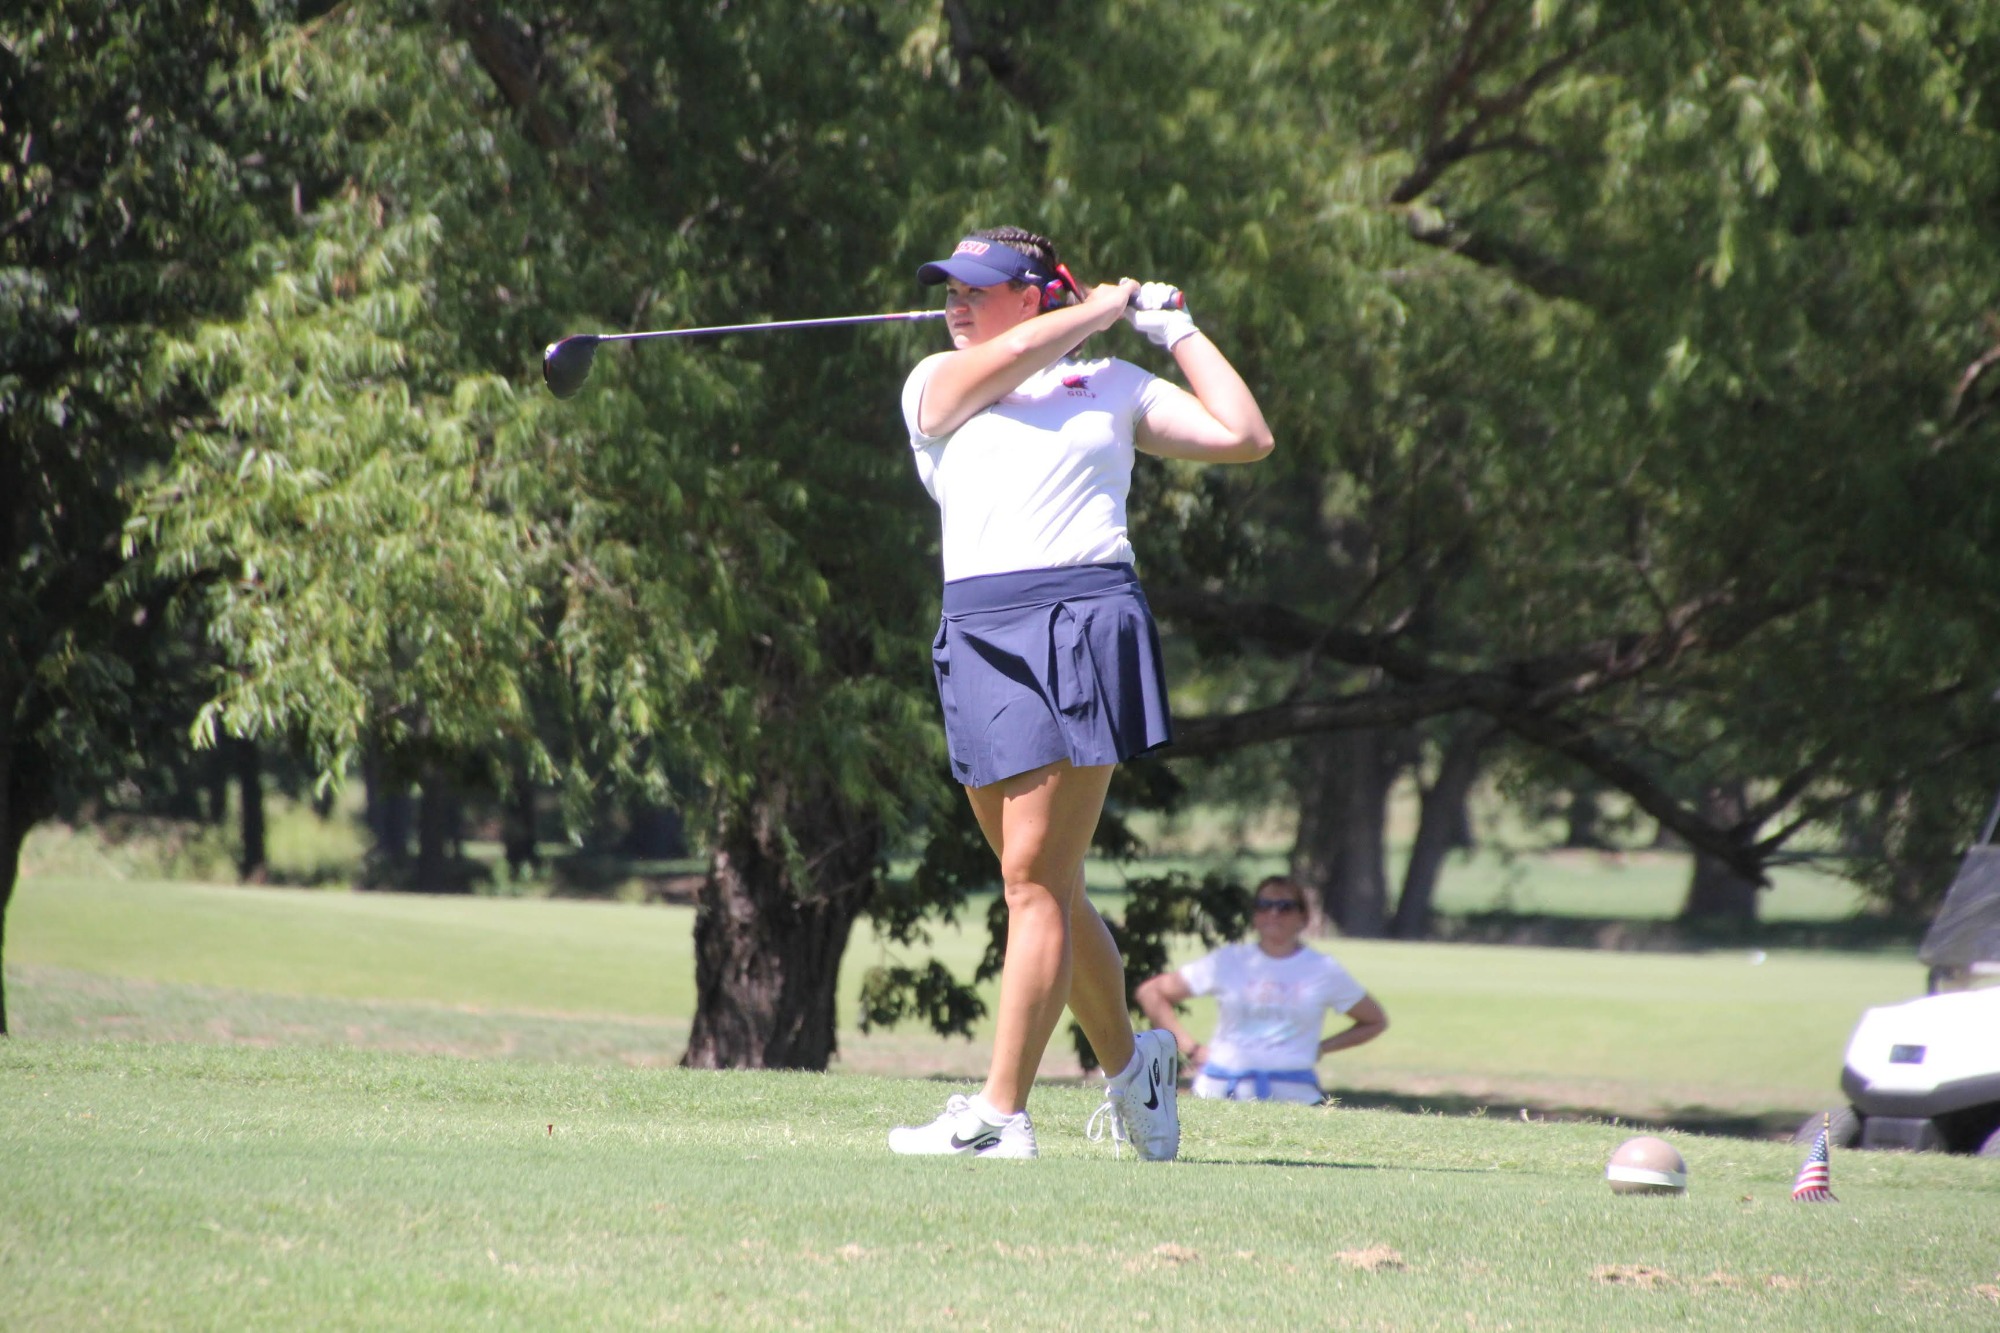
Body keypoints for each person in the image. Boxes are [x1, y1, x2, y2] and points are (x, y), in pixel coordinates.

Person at [886, 227, 1274, 1160]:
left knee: (1031, 882)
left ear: (1032, 293)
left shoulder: (1112, 385)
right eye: (950, 290)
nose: (956, 304)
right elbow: (1019, 354)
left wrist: (1173, 328)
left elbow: (1245, 436)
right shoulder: (937, 381)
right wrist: (1097, 309)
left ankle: (999, 1117)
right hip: (978, 627)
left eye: (977, 289)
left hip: (1082, 618)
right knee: (1045, 884)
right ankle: (1135, 1066)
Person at [1134, 876, 1388, 1104]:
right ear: (1254, 915)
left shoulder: (1322, 970)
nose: (1273, 913)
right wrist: (1192, 1050)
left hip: (1295, 1094)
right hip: (1220, 1090)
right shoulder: (1229, 961)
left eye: (1285, 906)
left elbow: (1374, 1021)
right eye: (1264, 906)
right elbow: (1151, 992)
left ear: (1304, 917)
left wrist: (1320, 1048)